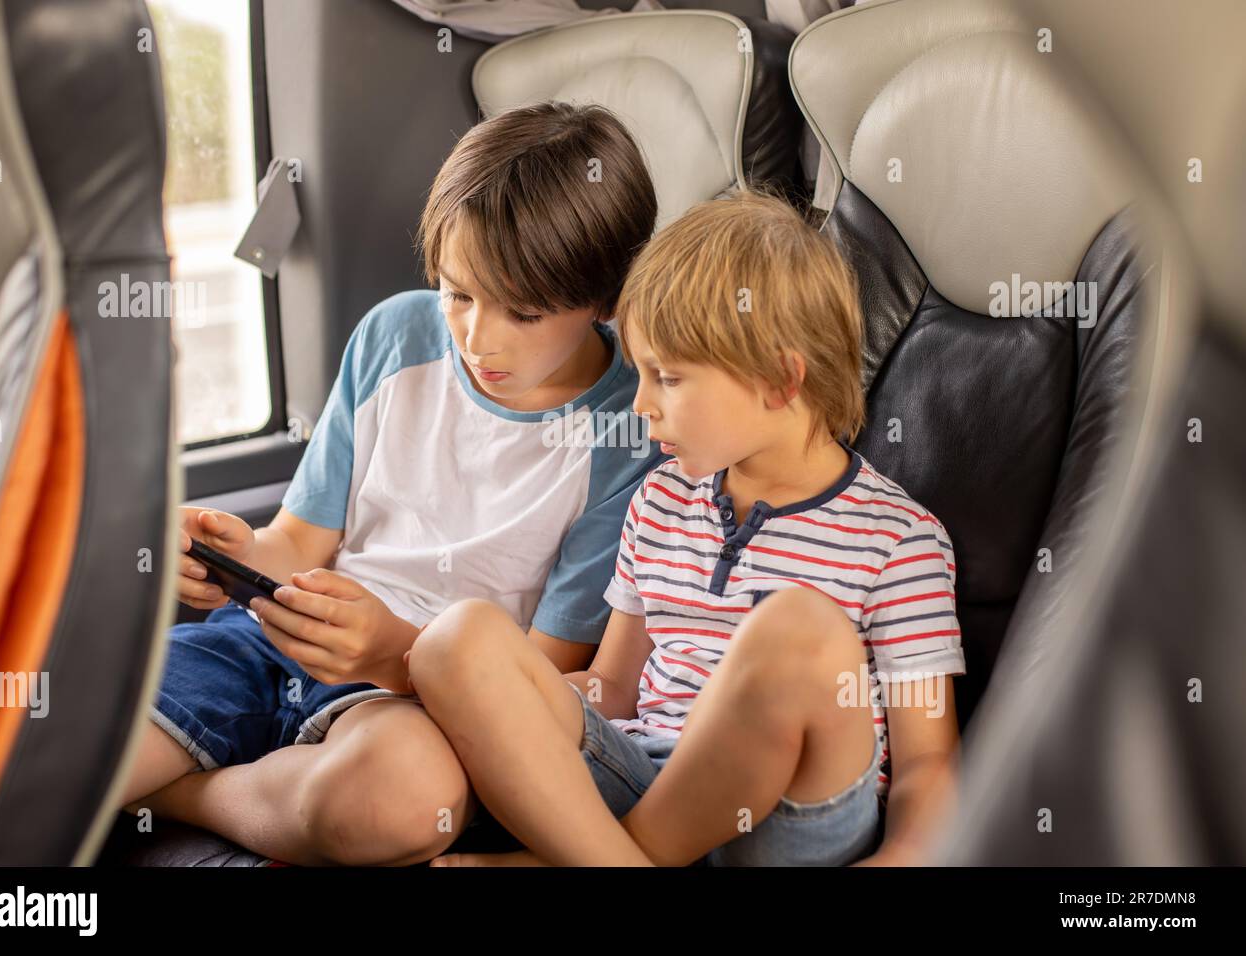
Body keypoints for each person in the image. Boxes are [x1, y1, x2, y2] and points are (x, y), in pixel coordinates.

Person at [121, 101, 665, 865]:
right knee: (40, 748)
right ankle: (196, 776)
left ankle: (184, 793)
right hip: (274, 639)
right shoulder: (395, 335)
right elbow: (297, 543)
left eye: (523, 313)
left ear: (604, 299)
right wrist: (232, 553)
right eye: (459, 293)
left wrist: (389, 652)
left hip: (416, 700)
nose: (476, 338)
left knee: (401, 803)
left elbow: (541, 676)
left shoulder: (632, 427)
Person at [409, 190, 967, 866]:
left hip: (790, 823)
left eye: (667, 379)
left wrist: (901, 859)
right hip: (644, 779)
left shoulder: (899, 541)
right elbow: (614, 689)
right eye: (640, 374)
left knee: (800, 630)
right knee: (455, 640)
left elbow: (927, 765)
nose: (641, 404)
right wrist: (500, 696)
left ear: (780, 380)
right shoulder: (660, 500)